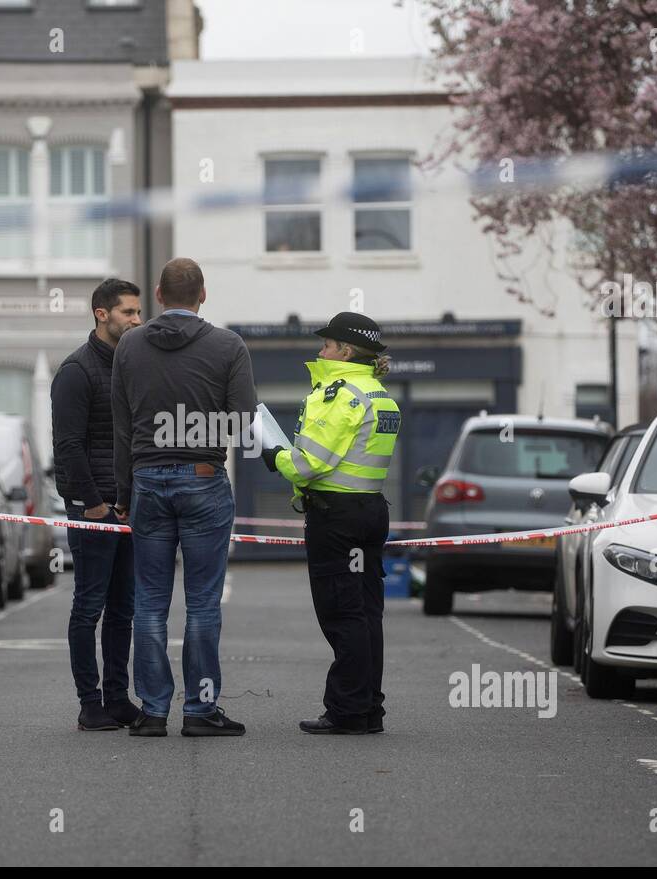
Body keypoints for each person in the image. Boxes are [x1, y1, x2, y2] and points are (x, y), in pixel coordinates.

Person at [111, 258, 257, 738]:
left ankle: (153, 712)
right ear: (204, 294)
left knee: (149, 603)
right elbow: (241, 421)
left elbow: (121, 428)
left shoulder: (129, 346)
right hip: (203, 479)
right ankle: (200, 710)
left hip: (148, 480)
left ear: (157, 294)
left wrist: (124, 493)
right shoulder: (228, 346)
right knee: (203, 603)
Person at [261, 312, 400, 735]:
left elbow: (309, 464)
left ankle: (347, 710)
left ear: (345, 350)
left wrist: (275, 456)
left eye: (326, 345)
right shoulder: (380, 394)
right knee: (365, 612)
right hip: (370, 512)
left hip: (336, 518)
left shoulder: (338, 393)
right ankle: (368, 706)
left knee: (342, 614)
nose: (320, 351)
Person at [50, 278, 144, 731]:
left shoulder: (130, 365)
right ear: (101, 314)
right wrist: (92, 504)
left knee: (123, 608)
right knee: (89, 607)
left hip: (126, 507)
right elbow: (68, 445)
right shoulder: (76, 371)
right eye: (128, 312)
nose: (137, 320)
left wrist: (127, 500)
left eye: (139, 312)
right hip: (92, 510)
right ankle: (90, 704)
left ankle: (117, 697)